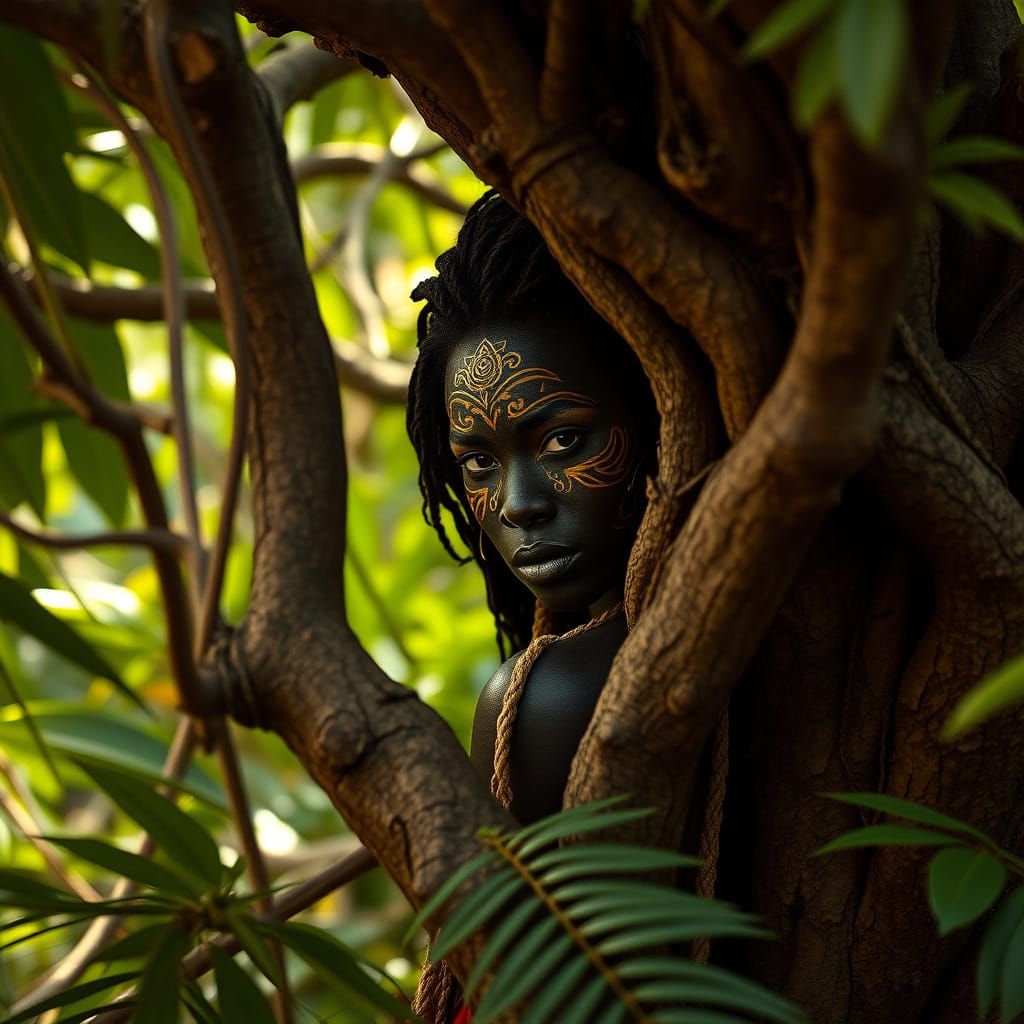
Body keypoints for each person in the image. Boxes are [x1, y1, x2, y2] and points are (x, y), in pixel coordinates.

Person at [406, 191, 658, 1021]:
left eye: (562, 441)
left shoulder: (553, 692)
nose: (517, 504)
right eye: (477, 462)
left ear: (660, 412)